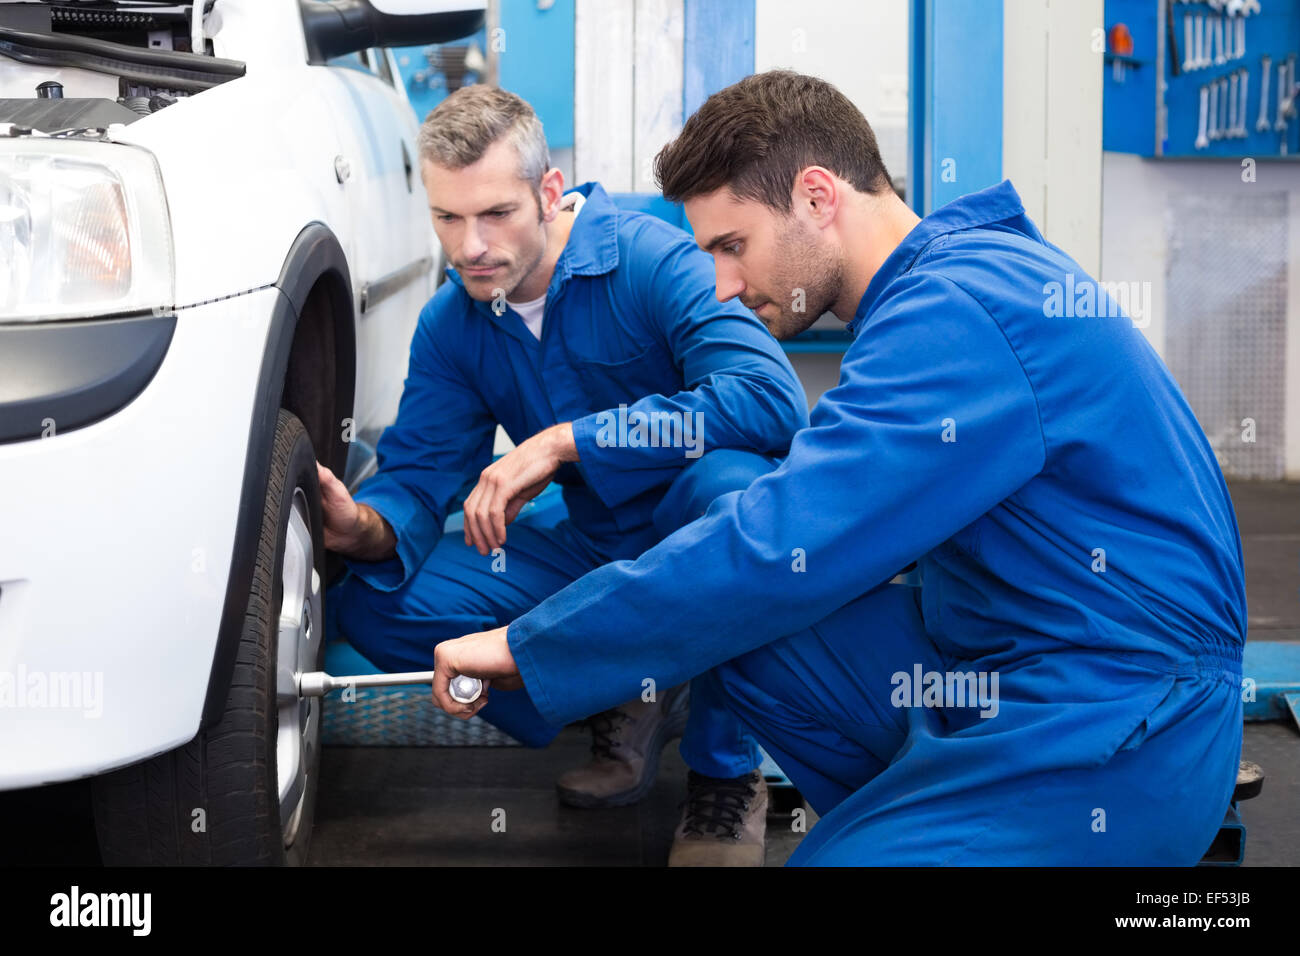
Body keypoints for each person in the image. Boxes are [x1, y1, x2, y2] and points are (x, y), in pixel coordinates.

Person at [430, 70, 1247, 865]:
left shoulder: (960, 312)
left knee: (755, 572)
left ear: (818, 198)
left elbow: (780, 542)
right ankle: (923, 821)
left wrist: (530, 646)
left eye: (732, 245)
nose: (720, 285)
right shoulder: (933, 294)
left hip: (1125, 717)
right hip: (998, 669)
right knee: (717, 545)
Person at [320, 84, 810, 866]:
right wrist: (365, 529)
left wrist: (563, 443)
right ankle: (622, 691)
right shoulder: (455, 320)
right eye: (448, 218)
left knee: (733, 499)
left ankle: (725, 778)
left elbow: (769, 398)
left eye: (496, 214)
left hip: (687, 527)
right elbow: (418, 474)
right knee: (373, 602)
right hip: (586, 547)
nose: (470, 245)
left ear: (550, 193)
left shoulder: (652, 260)